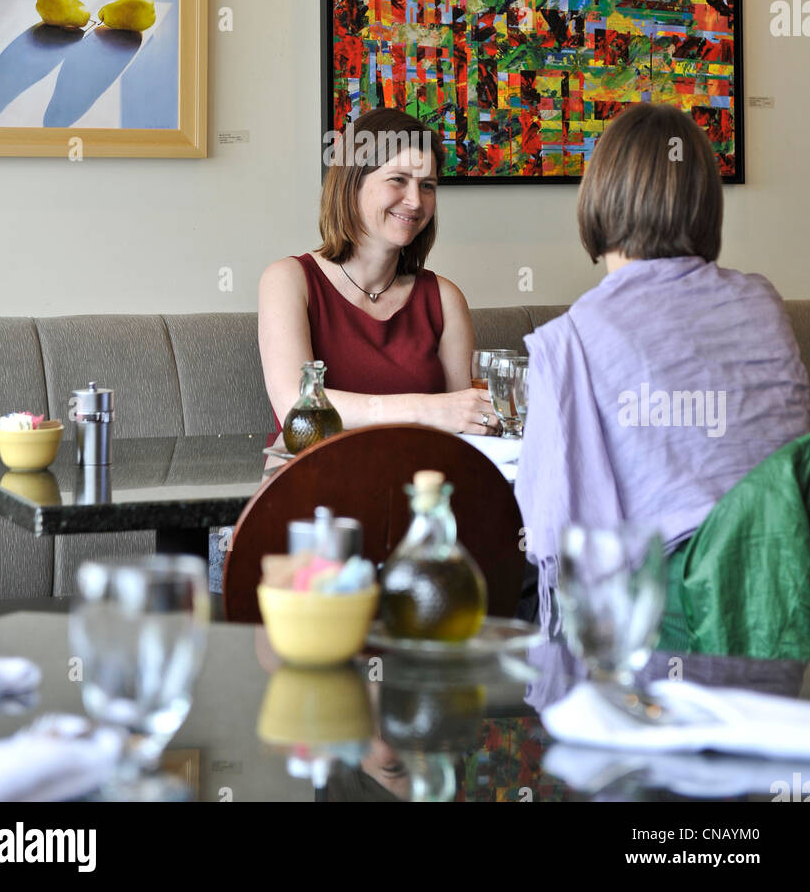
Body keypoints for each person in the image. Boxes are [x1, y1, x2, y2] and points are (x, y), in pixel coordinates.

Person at [516, 102, 810, 628]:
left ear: (601, 195)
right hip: (786, 604)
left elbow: (557, 535)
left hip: (670, 623)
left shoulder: (571, 340)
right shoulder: (762, 301)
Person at [258, 107, 495, 441]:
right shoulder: (288, 280)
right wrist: (425, 409)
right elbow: (296, 407)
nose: (415, 201)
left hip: (423, 472)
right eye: (398, 179)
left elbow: (466, 425)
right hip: (319, 472)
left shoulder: (444, 298)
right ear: (352, 183)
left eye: (427, 185)